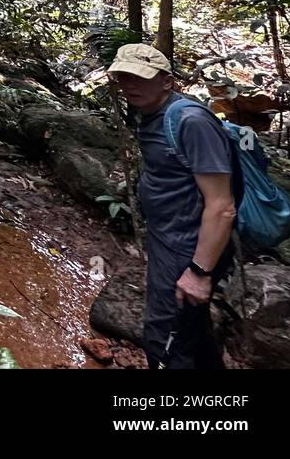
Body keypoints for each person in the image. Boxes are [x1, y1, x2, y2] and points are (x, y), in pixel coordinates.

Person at [107, 43, 240, 369]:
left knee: (164, 341)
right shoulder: (154, 114)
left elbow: (222, 206)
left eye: (140, 77)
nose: (130, 85)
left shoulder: (190, 121)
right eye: (124, 77)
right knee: (192, 334)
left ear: (167, 81)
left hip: (189, 248)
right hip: (170, 239)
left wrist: (198, 272)